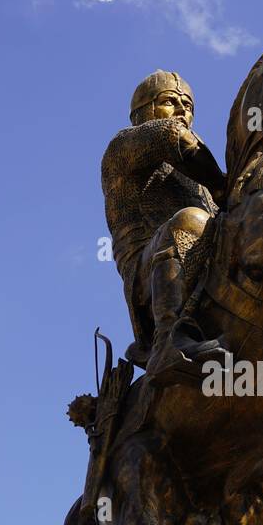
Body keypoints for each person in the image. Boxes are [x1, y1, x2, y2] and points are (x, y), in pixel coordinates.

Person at [100, 70, 228, 380]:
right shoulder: (123, 147)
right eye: (169, 101)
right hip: (147, 272)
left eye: (188, 105)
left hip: (207, 253)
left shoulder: (195, 172)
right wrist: (224, 187)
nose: (183, 110)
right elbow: (171, 135)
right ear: (142, 111)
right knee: (191, 220)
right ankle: (169, 341)